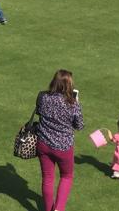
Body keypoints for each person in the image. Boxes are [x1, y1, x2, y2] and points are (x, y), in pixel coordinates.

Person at [35, 70, 85, 211]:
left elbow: (38, 112)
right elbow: (79, 126)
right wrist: (77, 103)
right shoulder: (72, 103)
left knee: (47, 178)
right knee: (66, 176)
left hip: (43, 143)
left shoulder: (43, 97)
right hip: (63, 147)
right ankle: (58, 209)